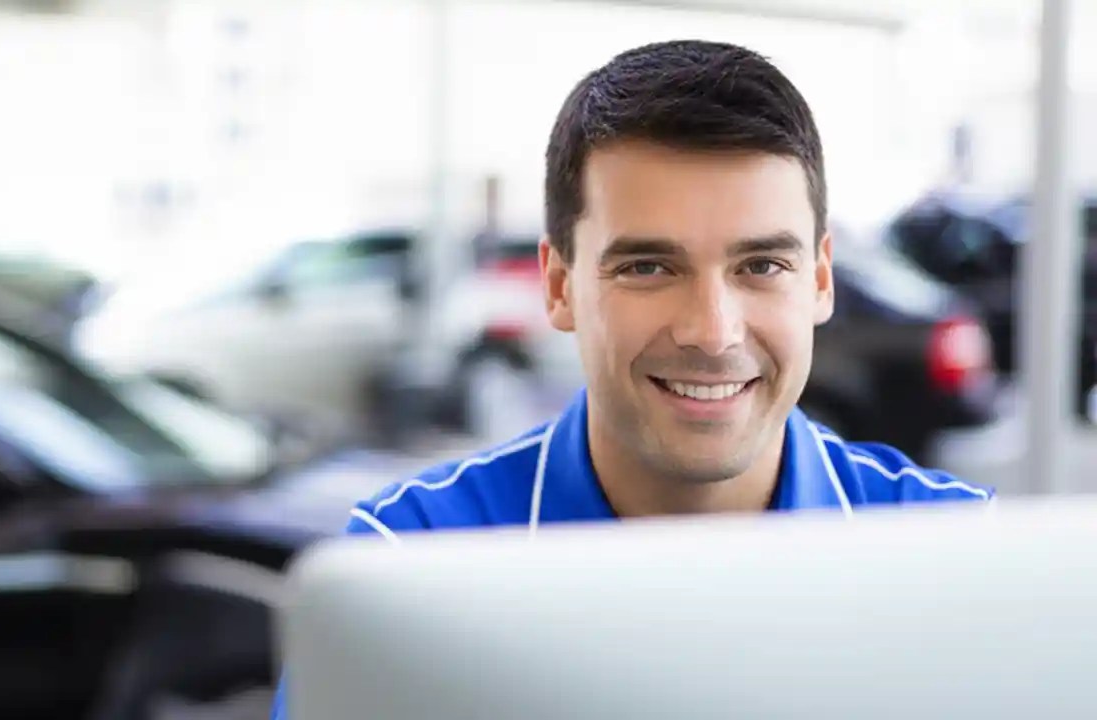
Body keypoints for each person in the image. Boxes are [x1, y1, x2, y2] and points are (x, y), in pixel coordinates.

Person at [269, 39, 993, 719]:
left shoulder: (967, 560)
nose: (713, 331)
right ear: (558, 286)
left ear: (820, 280)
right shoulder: (406, 564)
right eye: (648, 267)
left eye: (761, 266)